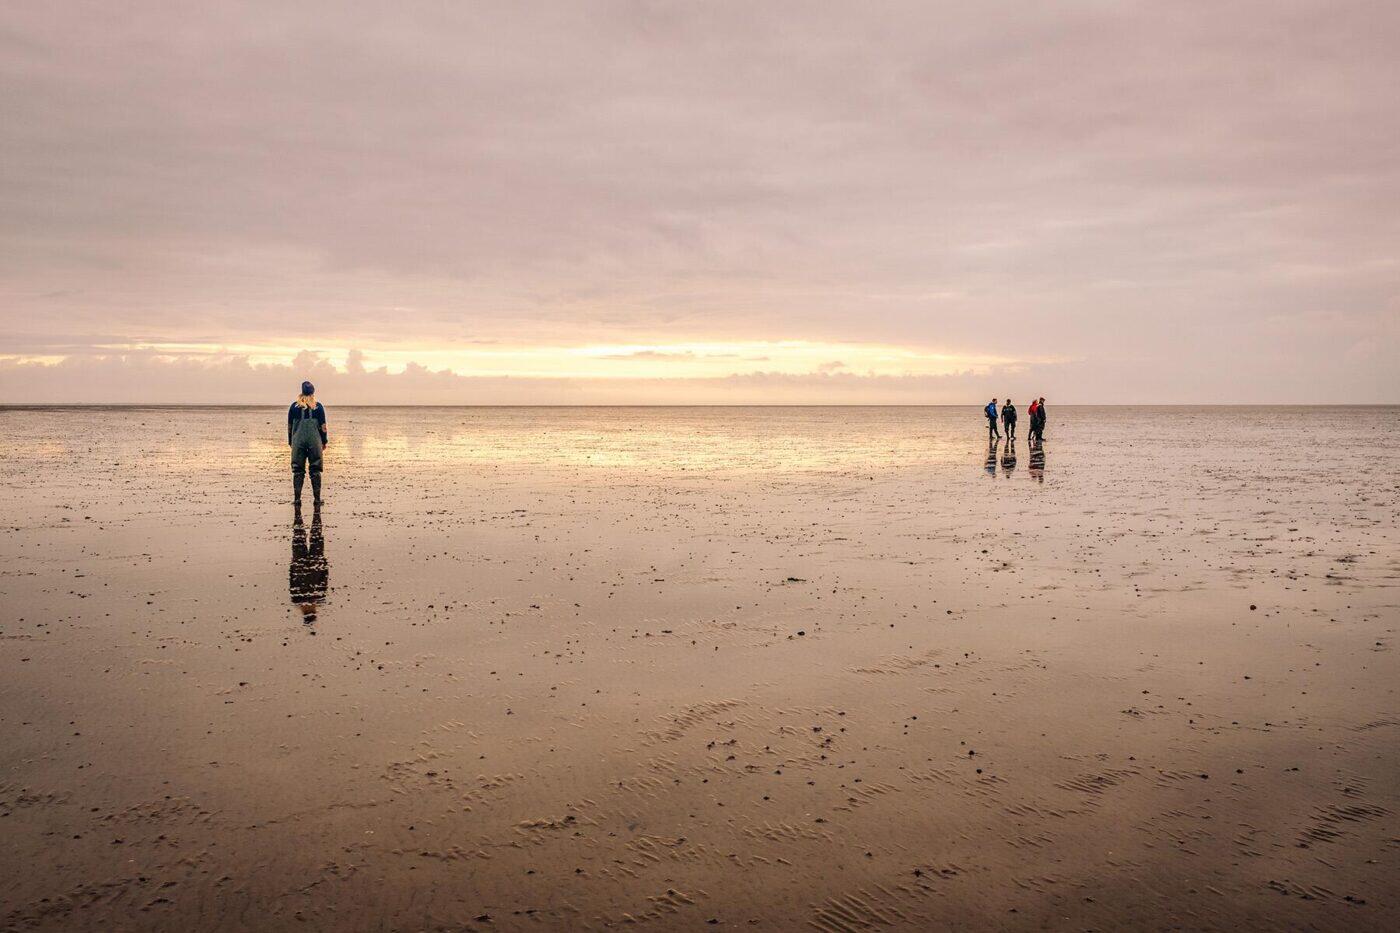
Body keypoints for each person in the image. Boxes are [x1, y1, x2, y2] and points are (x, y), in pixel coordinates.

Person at [288, 380, 328, 506]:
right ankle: (317, 499)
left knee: (298, 469)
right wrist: (324, 440)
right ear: (313, 392)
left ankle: (297, 499)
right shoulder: (318, 406)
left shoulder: (294, 407)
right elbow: (323, 426)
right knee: (315, 468)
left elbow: (289, 427)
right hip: (314, 441)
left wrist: (291, 441)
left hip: (297, 440)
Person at [290, 504, 328, 623]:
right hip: (300, 565)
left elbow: (324, 577)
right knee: (300, 536)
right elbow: (292, 578)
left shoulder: (319, 597)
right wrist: (293, 565)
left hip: (312, 564)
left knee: (312, 536)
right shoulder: (297, 599)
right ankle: (305, 512)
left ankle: (305, 510)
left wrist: (324, 563)